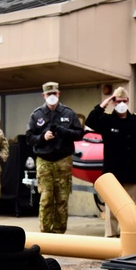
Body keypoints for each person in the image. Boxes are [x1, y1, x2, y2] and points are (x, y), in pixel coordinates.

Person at [85, 85, 136, 237]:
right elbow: (90, 121)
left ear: (128, 101)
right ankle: (111, 235)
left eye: (124, 101)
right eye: (117, 101)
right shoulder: (106, 120)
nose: (121, 104)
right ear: (113, 103)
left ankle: (127, 235)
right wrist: (105, 103)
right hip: (112, 171)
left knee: (129, 206)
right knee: (112, 206)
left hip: (131, 170)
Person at [26, 81, 84, 233]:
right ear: (43, 95)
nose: (52, 96)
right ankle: (45, 232)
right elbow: (29, 138)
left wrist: (64, 131)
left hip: (63, 160)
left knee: (62, 198)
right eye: (48, 94)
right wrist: (43, 137)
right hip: (44, 160)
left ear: (58, 94)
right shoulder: (36, 114)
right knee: (46, 198)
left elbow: (79, 134)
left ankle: (59, 231)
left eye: (54, 93)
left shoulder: (68, 113)